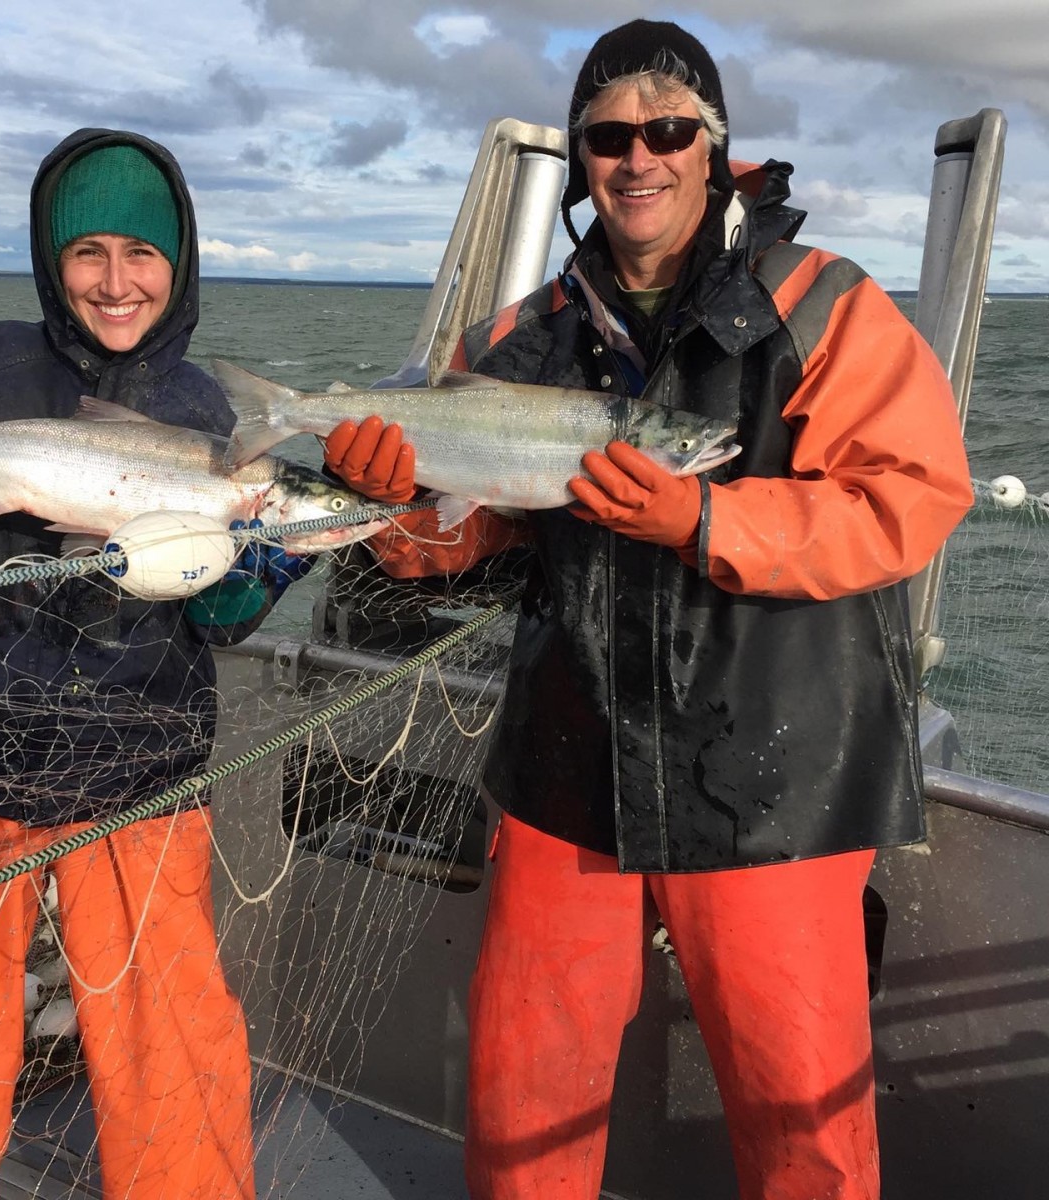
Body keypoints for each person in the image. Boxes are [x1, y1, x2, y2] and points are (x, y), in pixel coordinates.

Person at [321, 19, 975, 1200]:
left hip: (773, 775)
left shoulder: (825, 306)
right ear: (582, 162)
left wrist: (711, 524)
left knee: (804, 1113)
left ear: (715, 149)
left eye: (669, 129)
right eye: (610, 135)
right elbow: (456, 540)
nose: (640, 157)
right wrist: (395, 500)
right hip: (568, 762)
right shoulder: (519, 340)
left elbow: (914, 498)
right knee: (523, 1092)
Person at [0, 128, 303, 1199]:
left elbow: (219, 614)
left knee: (171, 1059)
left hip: (137, 771)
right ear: (51, 259)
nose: (115, 281)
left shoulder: (211, 418)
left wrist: (251, 579)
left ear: (179, 263)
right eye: (87, 251)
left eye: (141, 254)